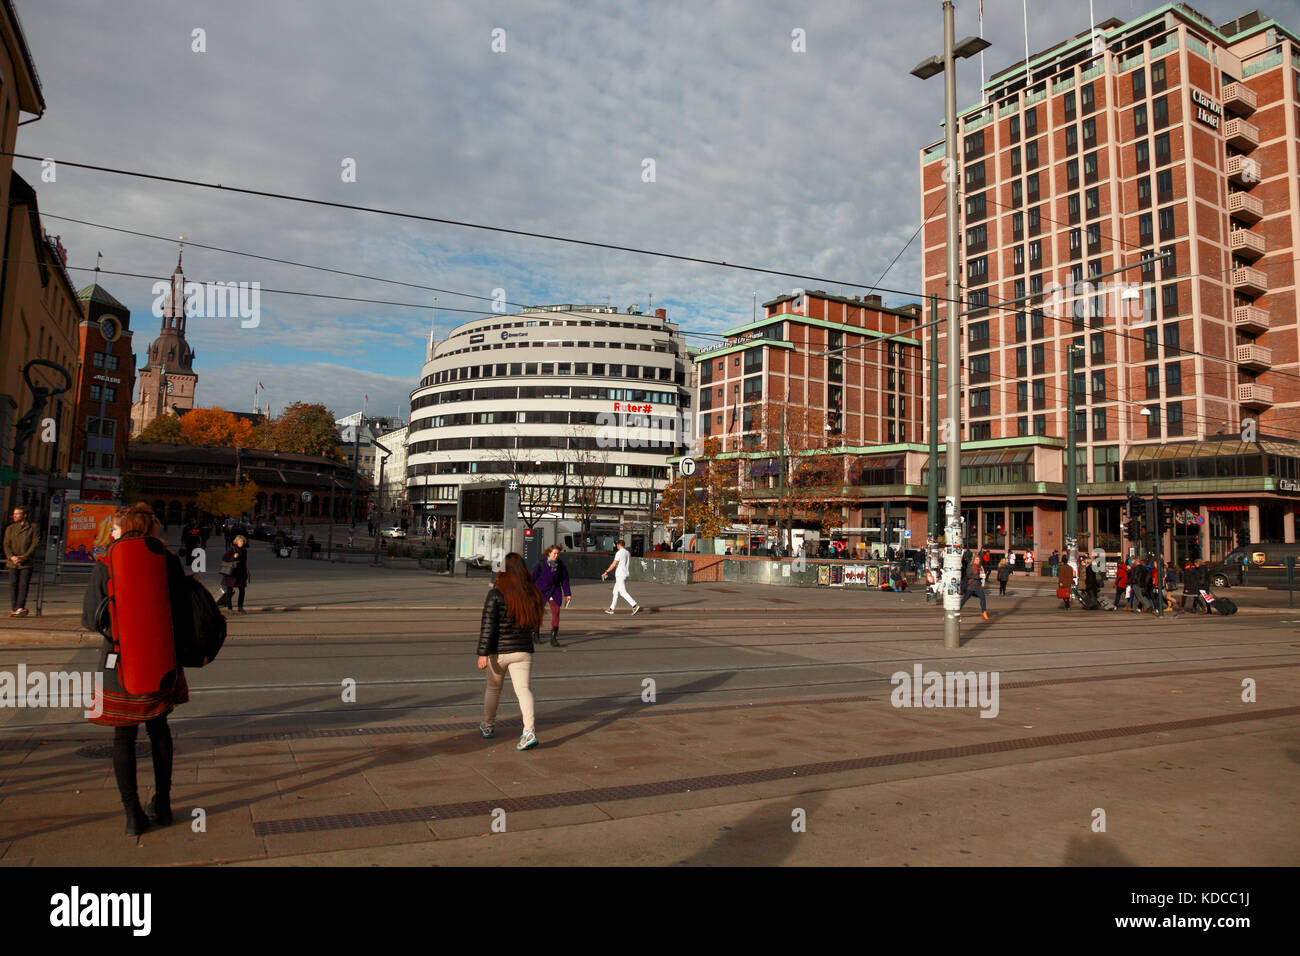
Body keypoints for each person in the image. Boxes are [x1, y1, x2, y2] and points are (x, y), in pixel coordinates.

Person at [81, 503, 189, 836]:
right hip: (159, 661)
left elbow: (89, 618)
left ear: (126, 530)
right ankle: (165, 805)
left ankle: (133, 815)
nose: (111, 535)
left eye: (114, 530)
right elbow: (183, 611)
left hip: (119, 663)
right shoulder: (168, 561)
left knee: (123, 737)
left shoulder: (106, 563)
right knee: (159, 731)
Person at [476, 552, 545, 750]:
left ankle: (488, 726)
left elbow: (488, 626)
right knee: (523, 691)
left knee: (493, 688)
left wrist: (482, 653)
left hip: (499, 652)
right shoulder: (531, 594)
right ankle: (529, 731)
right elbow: (534, 625)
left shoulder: (495, 594)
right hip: (522, 651)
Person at [532, 545, 572, 647]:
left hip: (555, 591)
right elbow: (533, 577)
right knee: (538, 613)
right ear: (549, 553)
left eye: (558, 553)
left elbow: (565, 580)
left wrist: (567, 593)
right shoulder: (541, 563)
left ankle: (553, 638)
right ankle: (535, 635)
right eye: (554, 553)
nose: (556, 555)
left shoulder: (561, 565)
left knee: (556, 612)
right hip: (541, 590)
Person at [4, 506, 38, 617]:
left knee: (23, 585)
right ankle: (15, 608)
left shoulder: (33, 528)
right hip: (12, 562)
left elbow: (34, 544)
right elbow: (6, 544)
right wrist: (11, 557)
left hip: (26, 562)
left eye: (17, 514)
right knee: (13, 584)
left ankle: (20, 607)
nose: (14, 516)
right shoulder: (10, 528)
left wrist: (25, 556)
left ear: (24, 515)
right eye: (14, 514)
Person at [601, 540, 641, 615]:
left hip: (620, 574)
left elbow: (614, 564)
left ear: (619, 545)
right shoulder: (627, 552)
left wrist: (606, 572)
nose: (616, 546)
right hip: (625, 574)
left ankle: (634, 605)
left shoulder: (619, 553)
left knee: (622, 592)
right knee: (615, 592)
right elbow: (620, 563)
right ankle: (611, 609)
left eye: (617, 545)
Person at [216, 534, 250, 613]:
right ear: (237, 541)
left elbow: (244, 562)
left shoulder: (244, 550)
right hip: (232, 573)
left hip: (241, 573)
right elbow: (224, 558)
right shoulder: (232, 549)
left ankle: (240, 607)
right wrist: (233, 557)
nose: (242, 542)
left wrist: (246, 572)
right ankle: (229, 608)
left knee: (242, 590)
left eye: (243, 541)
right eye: (241, 541)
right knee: (229, 591)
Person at [959, 557, 992, 621]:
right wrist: (978, 576)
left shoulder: (980, 567)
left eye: (978, 559)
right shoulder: (970, 566)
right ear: (973, 560)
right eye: (976, 559)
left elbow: (982, 575)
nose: (977, 561)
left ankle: (984, 612)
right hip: (970, 586)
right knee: (964, 599)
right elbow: (969, 575)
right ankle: (957, 612)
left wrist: (983, 576)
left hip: (977, 586)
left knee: (983, 598)